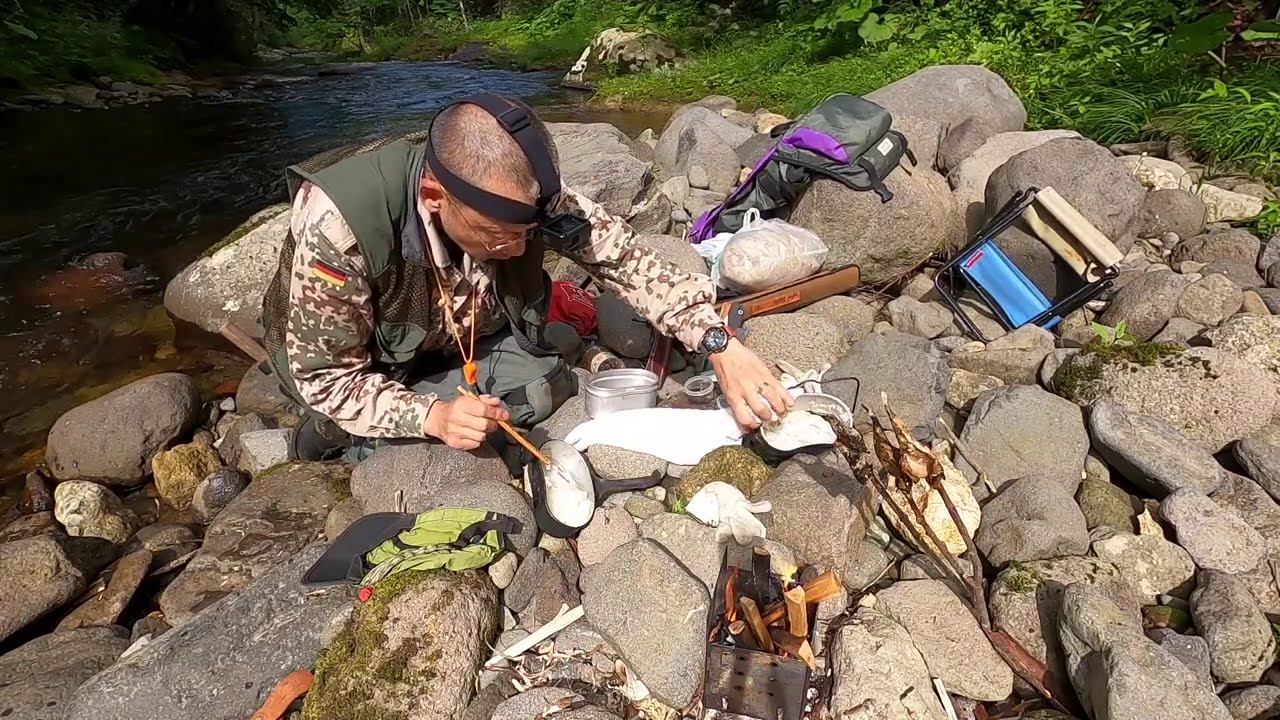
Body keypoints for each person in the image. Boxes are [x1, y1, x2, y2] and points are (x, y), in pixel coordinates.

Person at [259, 93, 792, 461]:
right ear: (433, 198)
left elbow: (627, 261)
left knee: (544, 385)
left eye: (525, 233)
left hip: (456, 332)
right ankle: (328, 435)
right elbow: (328, 375)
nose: (515, 249)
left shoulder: (527, 199)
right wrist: (433, 417)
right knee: (426, 438)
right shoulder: (339, 226)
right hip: (357, 359)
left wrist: (720, 343)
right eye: (496, 236)